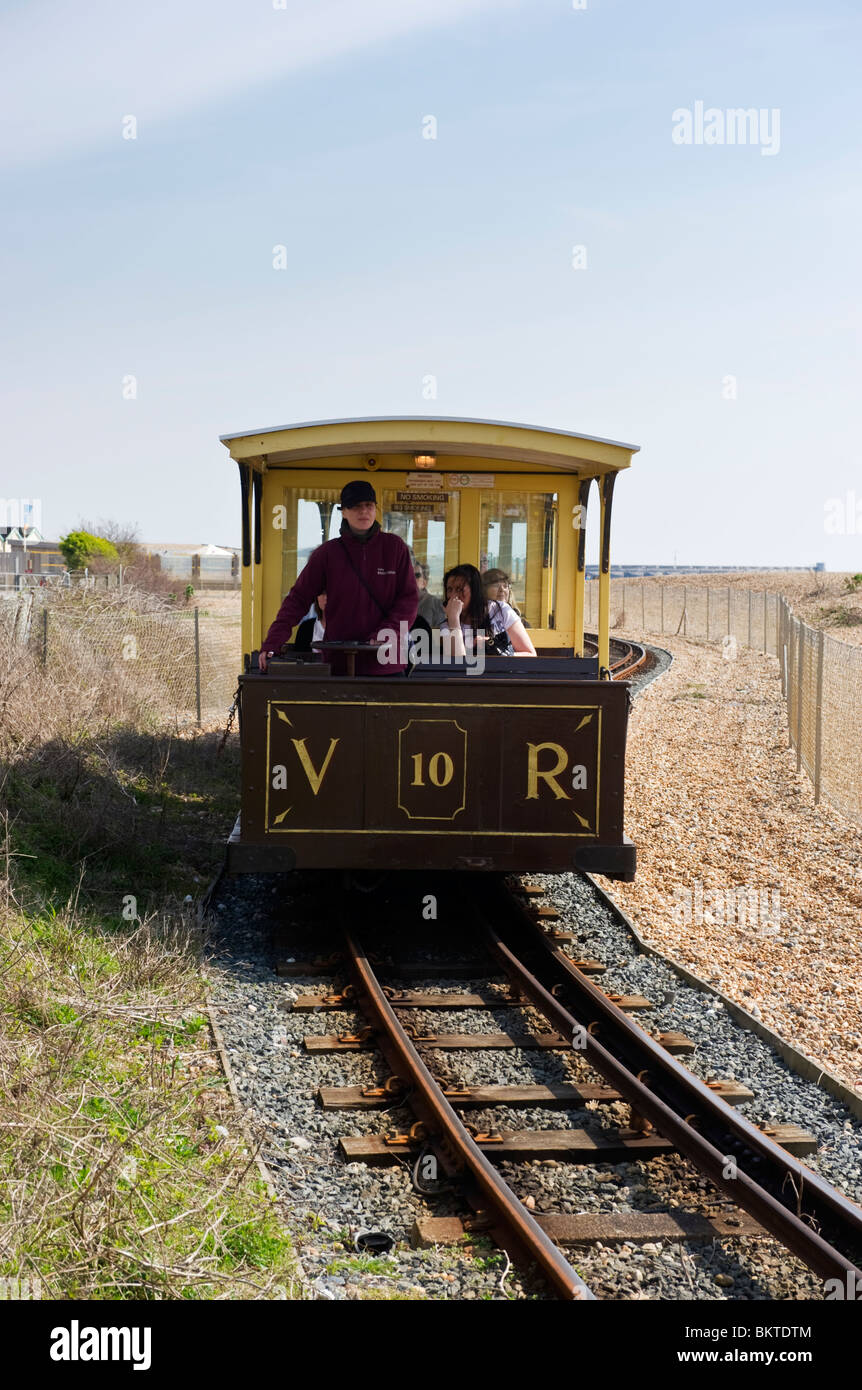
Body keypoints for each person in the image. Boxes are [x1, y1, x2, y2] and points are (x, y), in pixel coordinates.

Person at [259, 481, 418, 675]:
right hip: (340, 665)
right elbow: (298, 598)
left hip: (386, 663)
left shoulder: (395, 548)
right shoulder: (327, 553)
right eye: (356, 506)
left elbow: (408, 600)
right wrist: (273, 643)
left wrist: (388, 633)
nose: (364, 511)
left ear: (375, 509)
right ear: (343, 511)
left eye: (369, 505)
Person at [440, 563, 536, 657]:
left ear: (474, 590)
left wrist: (498, 651)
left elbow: (530, 654)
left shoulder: (500, 610)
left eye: (459, 589)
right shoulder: (448, 625)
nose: (453, 596)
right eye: (449, 590)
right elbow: (458, 665)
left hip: (503, 672)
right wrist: (453, 618)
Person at [413, 562, 446, 628]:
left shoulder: (434, 603)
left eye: (417, 575)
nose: (410, 578)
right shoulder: (395, 602)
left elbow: (441, 632)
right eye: (407, 574)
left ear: (424, 582)